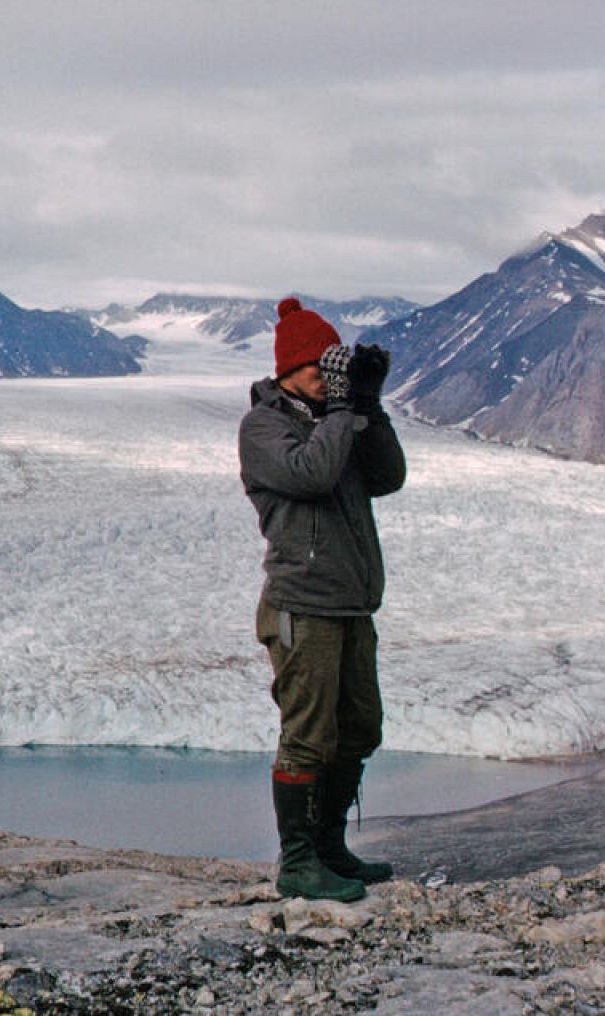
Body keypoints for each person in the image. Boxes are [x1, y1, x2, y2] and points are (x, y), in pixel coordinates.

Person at [238, 297, 406, 901]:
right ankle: (299, 861)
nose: (326, 376)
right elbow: (311, 473)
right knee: (308, 734)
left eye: (332, 366)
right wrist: (341, 410)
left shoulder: (334, 415)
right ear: (290, 368)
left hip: (352, 601)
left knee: (359, 729)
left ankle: (331, 848)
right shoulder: (264, 427)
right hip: (302, 605)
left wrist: (367, 406)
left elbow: (387, 477)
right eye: (318, 367)